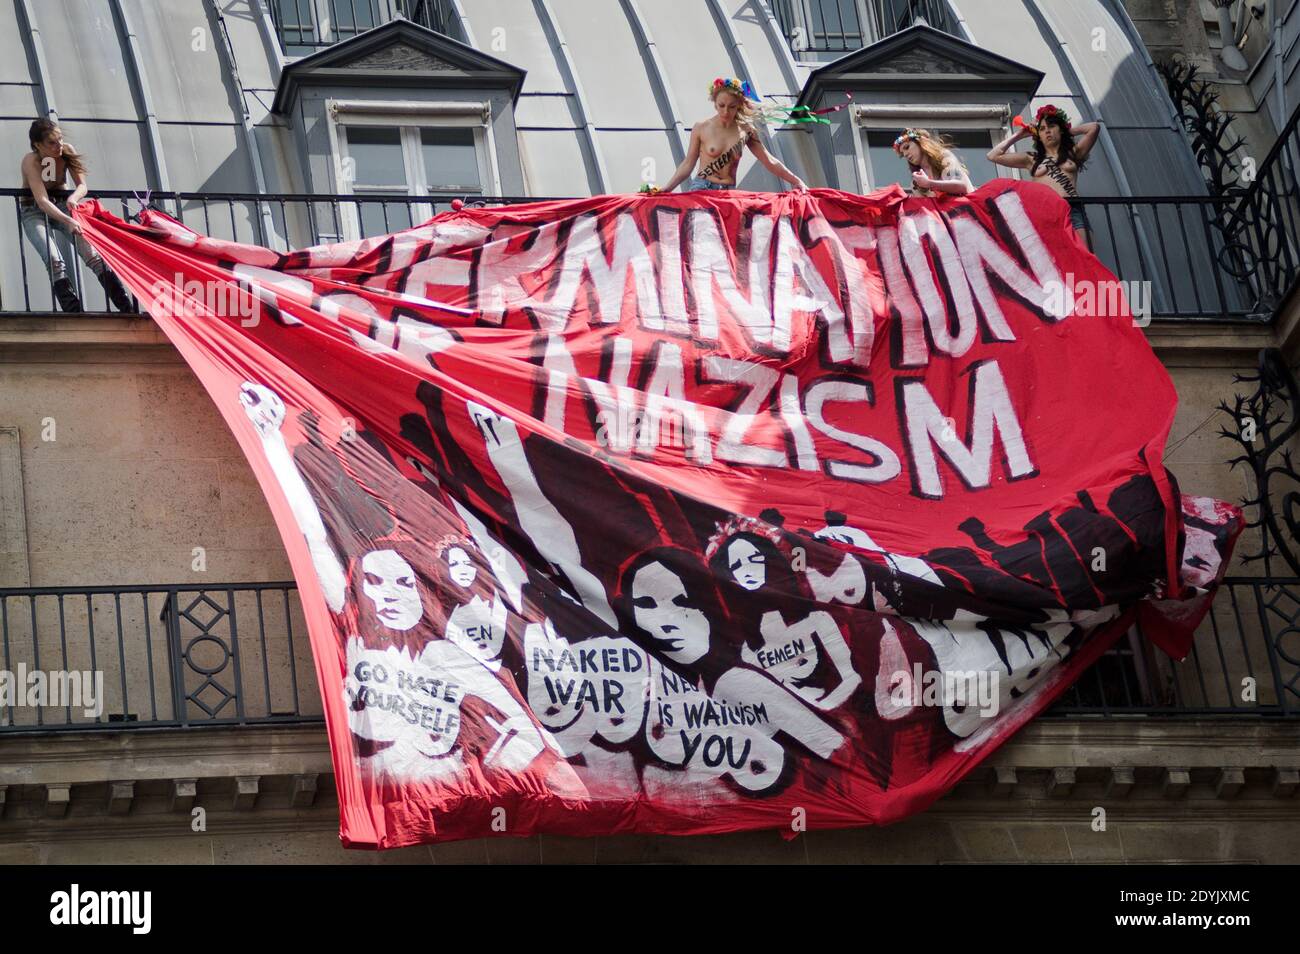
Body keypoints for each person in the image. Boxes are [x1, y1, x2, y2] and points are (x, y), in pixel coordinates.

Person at [19, 118, 133, 314]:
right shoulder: (31, 160)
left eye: (60, 139)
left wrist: (73, 197)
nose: (58, 146)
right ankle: (74, 312)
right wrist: (69, 220)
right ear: (38, 145)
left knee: (92, 256)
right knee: (54, 260)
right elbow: (42, 201)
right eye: (52, 143)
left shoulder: (66, 151)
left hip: (63, 205)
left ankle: (126, 307)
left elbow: (82, 185)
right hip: (34, 211)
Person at [658, 77, 807, 193]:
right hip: (703, 189)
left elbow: (768, 160)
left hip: (729, 192)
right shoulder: (701, 127)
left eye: (732, 107)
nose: (725, 112)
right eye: (721, 106)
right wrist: (668, 188)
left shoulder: (747, 130)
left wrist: (796, 181)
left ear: (739, 106)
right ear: (714, 103)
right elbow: (688, 163)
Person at [987, 105, 1102, 243]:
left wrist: (1065, 130)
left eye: (1051, 126)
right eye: (1042, 129)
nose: (1047, 131)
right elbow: (993, 155)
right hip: (1045, 211)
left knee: (1084, 254)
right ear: (1038, 136)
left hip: (1072, 209)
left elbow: (1094, 128)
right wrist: (1020, 135)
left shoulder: (1073, 153)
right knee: (1053, 258)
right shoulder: (1031, 158)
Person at [892, 127, 973, 197]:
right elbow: (925, 211)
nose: (905, 154)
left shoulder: (944, 157)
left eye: (907, 147)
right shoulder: (916, 183)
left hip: (971, 209)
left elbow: (962, 186)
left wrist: (929, 183)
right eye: (902, 154)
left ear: (921, 142)